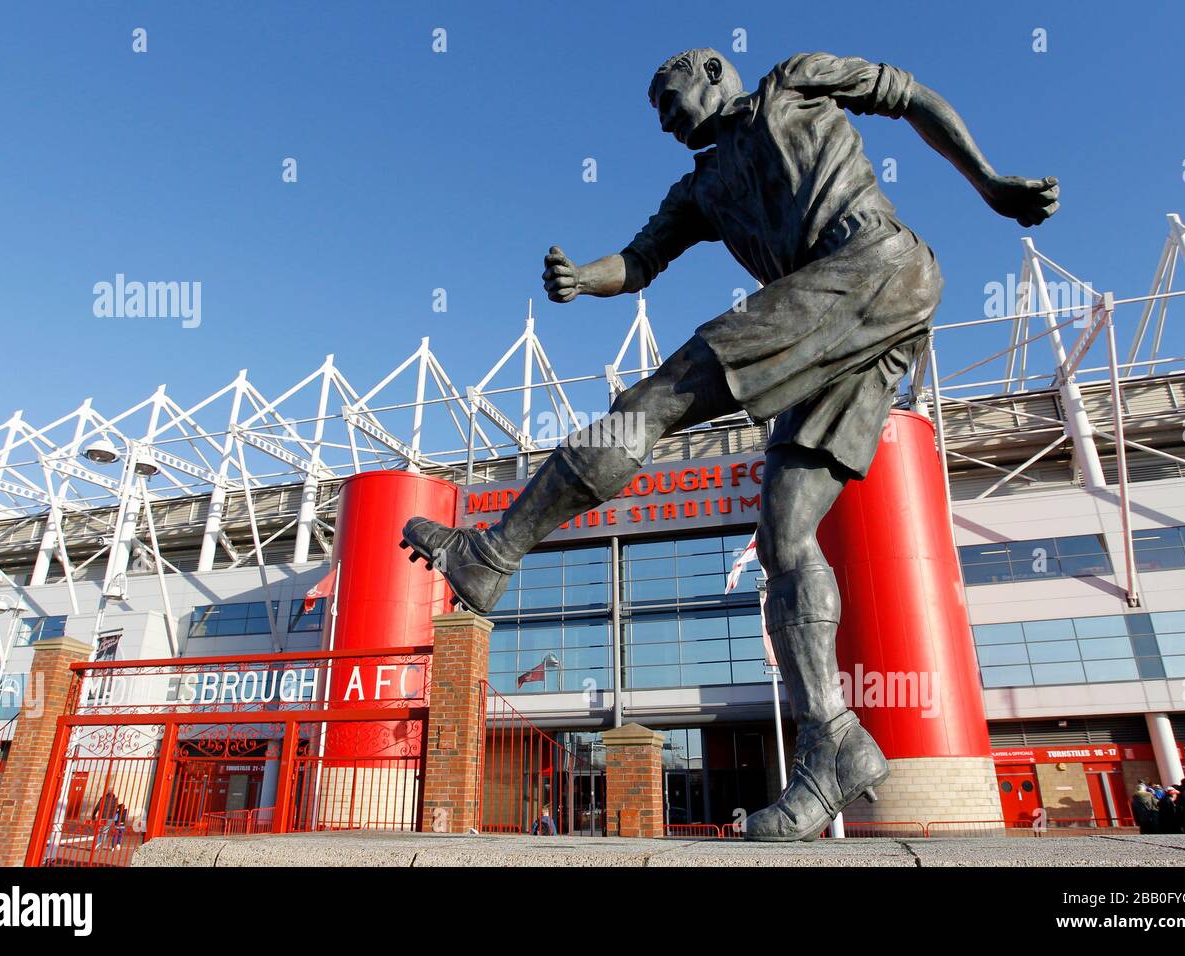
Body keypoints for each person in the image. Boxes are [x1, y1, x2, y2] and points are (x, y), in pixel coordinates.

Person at [400, 46, 1058, 842]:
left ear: (711, 70)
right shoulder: (703, 188)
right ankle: (835, 743)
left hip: (869, 265)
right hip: (863, 315)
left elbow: (909, 93)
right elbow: (639, 262)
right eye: (657, 114)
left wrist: (988, 181)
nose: (666, 119)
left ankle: (495, 553)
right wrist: (585, 277)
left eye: (668, 98)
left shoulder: (795, 78)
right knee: (784, 529)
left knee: (650, 401)